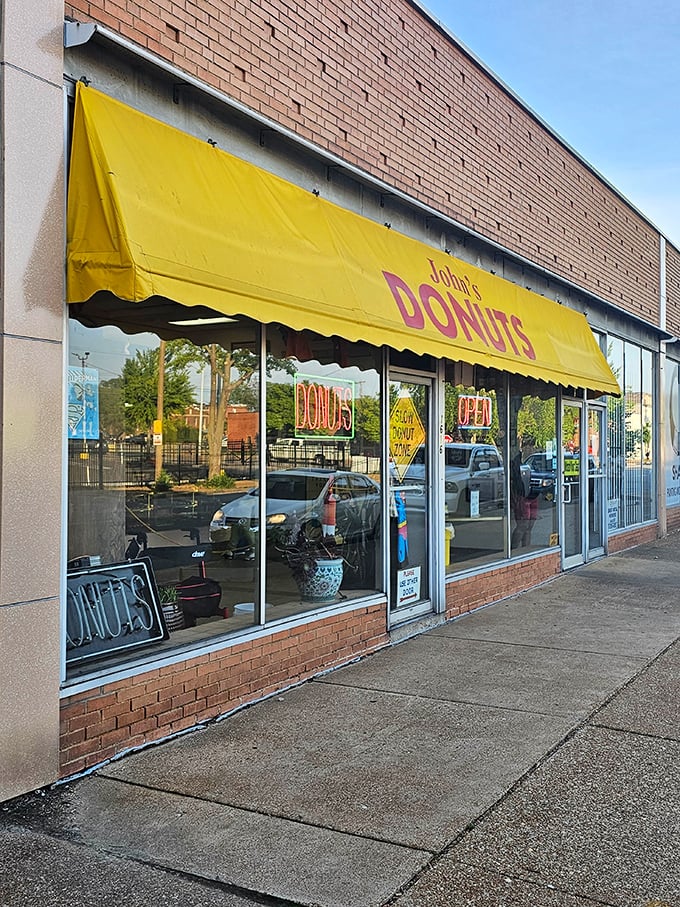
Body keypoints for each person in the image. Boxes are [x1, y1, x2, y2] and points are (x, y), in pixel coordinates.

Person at [510, 452, 537, 548]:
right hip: (522, 497)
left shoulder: (526, 467)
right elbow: (513, 486)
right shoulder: (512, 468)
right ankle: (512, 549)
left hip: (532, 495)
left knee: (529, 526)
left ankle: (526, 548)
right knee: (523, 525)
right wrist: (515, 501)